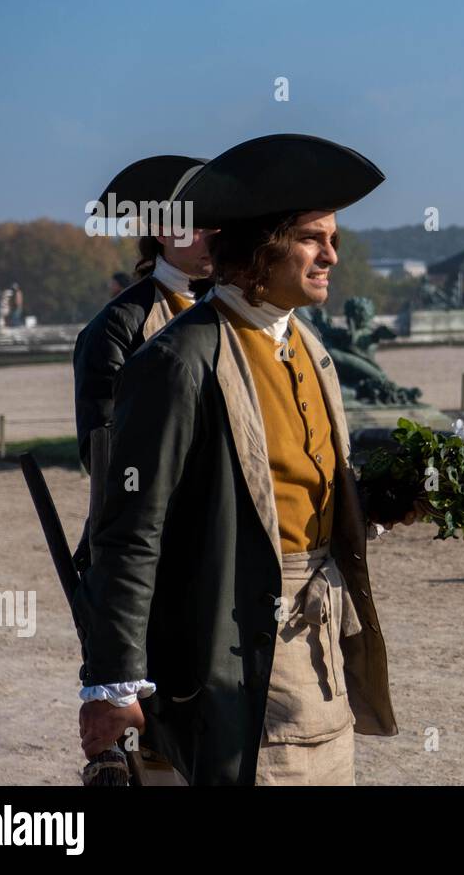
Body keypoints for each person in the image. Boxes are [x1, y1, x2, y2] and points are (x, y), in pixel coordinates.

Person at [74, 134, 406, 785]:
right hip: (235, 645)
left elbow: (308, 487)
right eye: (314, 238)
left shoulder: (313, 352)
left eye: (333, 238)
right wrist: (112, 683)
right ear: (264, 248)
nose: (332, 255)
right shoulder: (177, 361)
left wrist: (387, 498)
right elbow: (132, 527)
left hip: (322, 654)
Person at [73, 154, 213, 471]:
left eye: (219, 224)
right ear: (161, 231)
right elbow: (102, 453)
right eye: (198, 225)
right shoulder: (115, 326)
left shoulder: (233, 307)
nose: (213, 236)